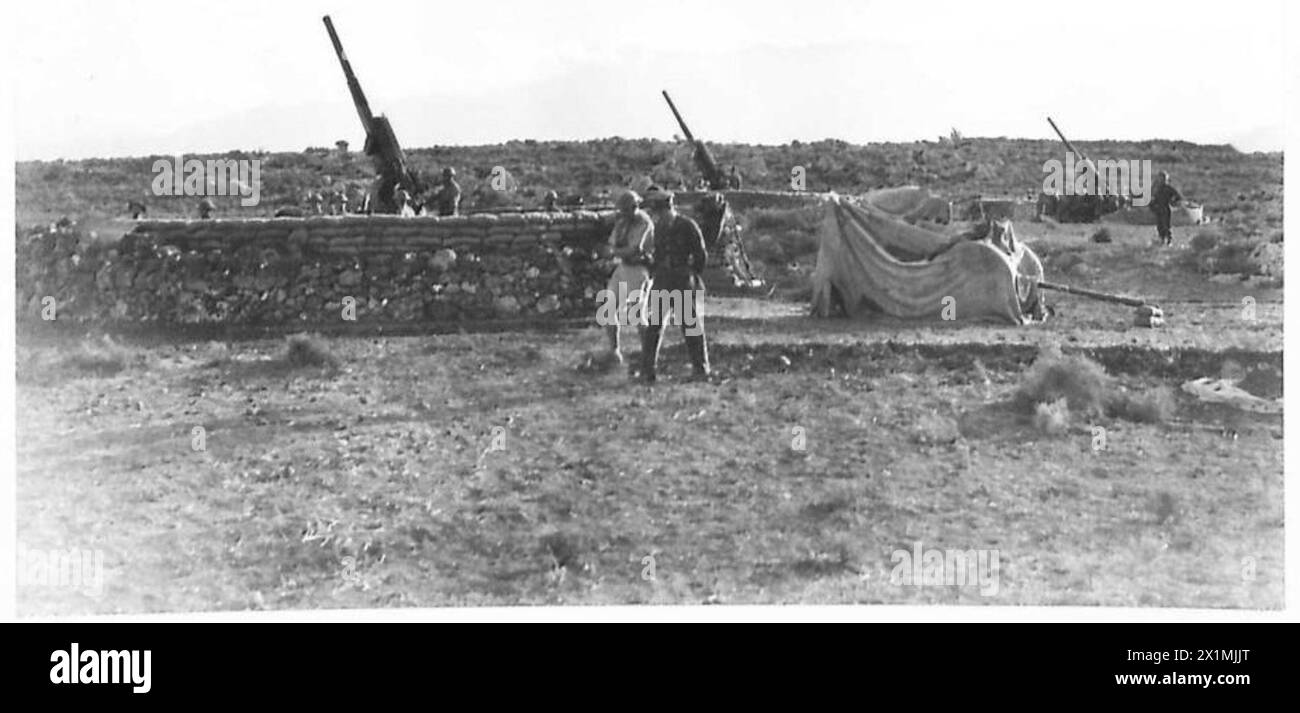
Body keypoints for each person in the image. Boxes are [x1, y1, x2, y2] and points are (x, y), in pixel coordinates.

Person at [639, 189, 710, 383]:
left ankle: (700, 369)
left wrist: (690, 274)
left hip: (682, 281)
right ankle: (648, 371)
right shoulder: (658, 228)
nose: (660, 217)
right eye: (658, 214)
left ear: (670, 208)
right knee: (654, 326)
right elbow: (656, 254)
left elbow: (700, 255)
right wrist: (651, 264)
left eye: (662, 212)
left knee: (690, 326)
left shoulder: (687, 226)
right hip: (663, 280)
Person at [599, 190, 654, 364]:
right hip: (623, 266)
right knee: (608, 308)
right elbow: (612, 243)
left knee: (636, 313)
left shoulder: (644, 222)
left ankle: (649, 353)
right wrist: (612, 252)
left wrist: (613, 252)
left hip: (638, 269)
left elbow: (635, 248)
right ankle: (614, 351)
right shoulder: (622, 222)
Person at [1150, 170, 1183, 246]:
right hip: (1157, 209)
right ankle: (1161, 240)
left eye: (1163, 178)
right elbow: (1151, 197)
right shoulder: (1155, 188)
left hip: (1165, 209)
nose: (1162, 180)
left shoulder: (1168, 188)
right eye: (1160, 178)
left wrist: (1172, 201)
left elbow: (1178, 197)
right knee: (1159, 226)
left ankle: (1168, 241)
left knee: (1166, 226)